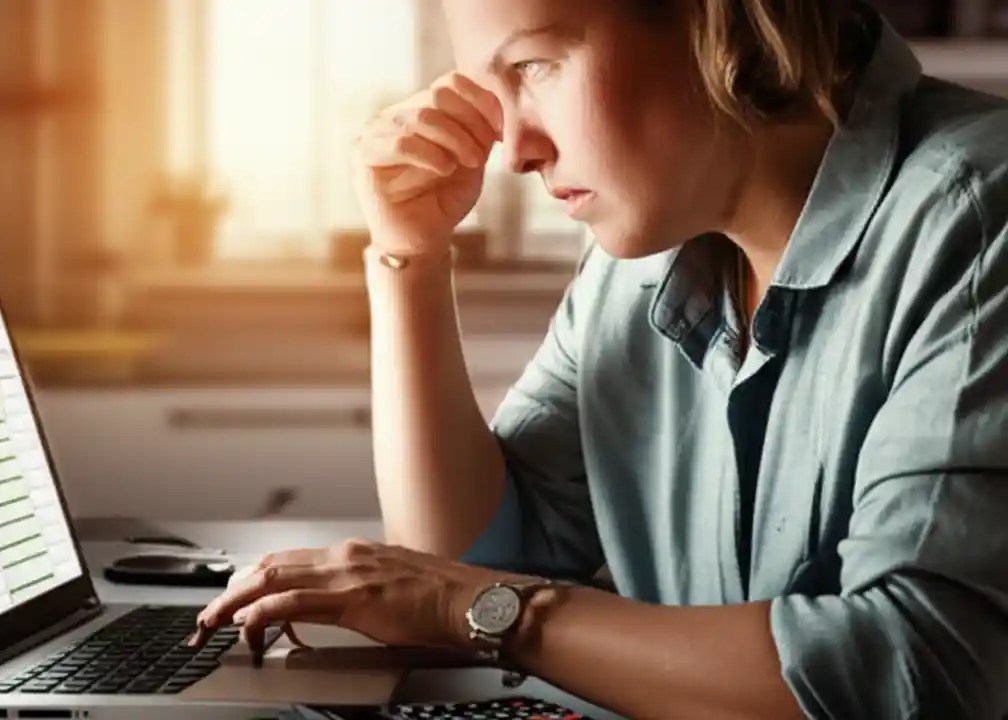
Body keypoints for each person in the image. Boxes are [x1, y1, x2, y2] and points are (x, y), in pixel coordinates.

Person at [190, 1, 1008, 716]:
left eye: (534, 66)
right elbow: (470, 568)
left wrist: (480, 608)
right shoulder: (644, 257)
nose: (513, 151)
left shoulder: (977, 216)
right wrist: (409, 256)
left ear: (713, 21)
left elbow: (918, 670)